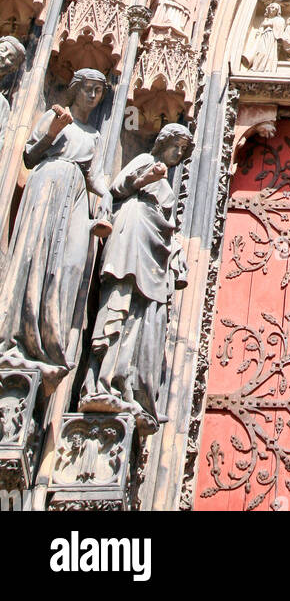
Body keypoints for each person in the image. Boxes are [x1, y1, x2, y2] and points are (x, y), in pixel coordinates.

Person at [80, 123, 195, 431]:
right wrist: (148, 177)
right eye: (177, 146)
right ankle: (100, 383)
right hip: (130, 238)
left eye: (183, 151)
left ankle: (126, 384)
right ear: (163, 142)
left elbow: (167, 227)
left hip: (152, 255)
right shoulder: (144, 160)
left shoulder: (169, 189)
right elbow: (117, 188)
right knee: (119, 305)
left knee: (142, 318)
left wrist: (177, 252)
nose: (178, 153)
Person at [0, 70, 110, 388]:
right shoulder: (54, 115)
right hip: (47, 186)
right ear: (75, 90)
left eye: (98, 91)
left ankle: (51, 339)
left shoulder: (93, 136)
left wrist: (108, 198)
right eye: (88, 89)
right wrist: (53, 132)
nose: (92, 96)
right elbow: (30, 156)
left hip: (75, 197)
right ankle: (19, 336)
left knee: (72, 264)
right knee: (35, 255)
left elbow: (97, 179)